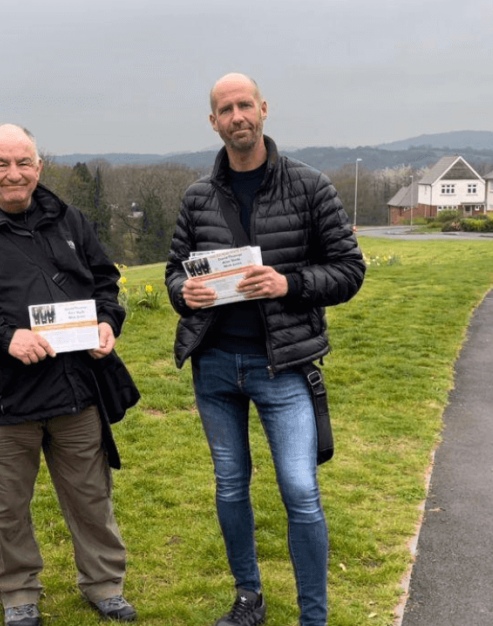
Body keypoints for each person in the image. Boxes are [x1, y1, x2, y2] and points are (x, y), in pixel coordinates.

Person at [165, 73, 365, 626]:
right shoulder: (197, 196)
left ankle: (313, 617)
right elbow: (173, 274)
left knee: (300, 490)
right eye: (225, 109)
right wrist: (186, 292)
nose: (237, 117)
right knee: (230, 485)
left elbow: (350, 271)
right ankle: (248, 597)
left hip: (284, 367)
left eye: (245, 105)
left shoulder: (309, 186)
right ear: (213, 122)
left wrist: (289, 284)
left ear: (264, 110)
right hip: (216, 367)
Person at [0, 124, 137, 626]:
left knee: (91, 496)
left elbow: (106, 283)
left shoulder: (71, 221)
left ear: (39, 168)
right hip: (3, 399)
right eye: (1, 164)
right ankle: (19, 594)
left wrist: (108, 321)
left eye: (23, 163)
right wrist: (4, 337)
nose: (14, 174)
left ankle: (104, 583)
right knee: (7, 505)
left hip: (75, 390)